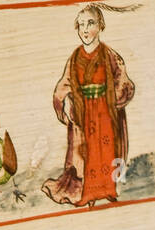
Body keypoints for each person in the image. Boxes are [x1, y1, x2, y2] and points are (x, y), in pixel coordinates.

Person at [43, 3, 137, 206]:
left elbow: (123, 80)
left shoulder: (110, 55)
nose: (85, 30)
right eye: (81, 25)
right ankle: (88, 194)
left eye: (91, 23)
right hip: (83, 113)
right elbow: (64, 84)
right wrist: (64, 101)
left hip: (105, 111)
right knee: (87, 154)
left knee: (107, 151)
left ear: (101, 25)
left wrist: (115, 99)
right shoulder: (75, 57)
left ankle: (107, 190)